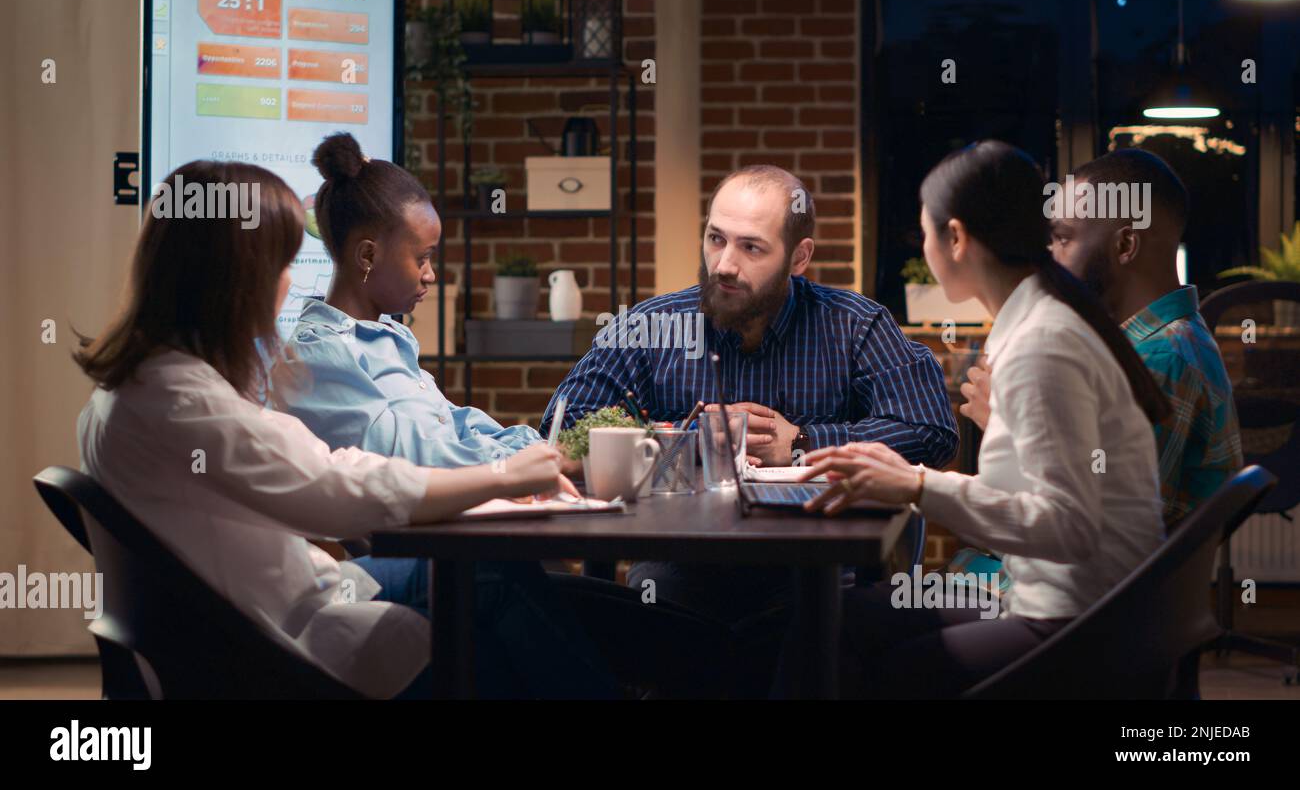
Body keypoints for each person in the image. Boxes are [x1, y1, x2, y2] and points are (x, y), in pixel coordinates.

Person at [74, 160, 618, 699]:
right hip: (272, 642)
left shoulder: (140, 388)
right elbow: (338, 493)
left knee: (497, 606)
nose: (290, 282)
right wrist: (502, 476)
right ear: (236, 278)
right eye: (283, 263)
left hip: (277, 604)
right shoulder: (183, 401)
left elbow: (331, 471)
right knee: (498, 587)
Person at [542, 164, 957, 693]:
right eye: (716, 239)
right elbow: (563, 429)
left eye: (752, 248)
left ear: (799, 257)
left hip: (819, 582)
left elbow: (931, 429)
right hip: (681, 580)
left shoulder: (855, 325)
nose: (725, 265)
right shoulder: (650, 328)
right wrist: (683, 442)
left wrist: (803, 443)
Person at [797, 140, 1169, 698]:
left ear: (955, 237)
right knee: (834, 621)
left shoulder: (1043, 342)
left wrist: (917, 485)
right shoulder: (1038, 318)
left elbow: (1069, 526)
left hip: (1081, 625)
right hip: (1051, 600)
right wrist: (906, 478)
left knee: (857, 652)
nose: (921, 247)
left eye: (924, 231)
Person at [271, 132, 554, 472]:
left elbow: (453, 422)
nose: (430, 275)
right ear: (368, 255)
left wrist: (538, 448)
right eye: (422, 258)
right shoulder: (318, 353)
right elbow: (404, 456)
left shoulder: (391, 336)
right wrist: (515, 464)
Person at [1045, 149, 1242, 527]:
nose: (1050, 258)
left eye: (1063, 239)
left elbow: (1092, 528)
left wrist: (1013, 426)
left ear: (1124, 246)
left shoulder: (1160, 359)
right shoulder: (1146, 347)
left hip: (1043, 584)